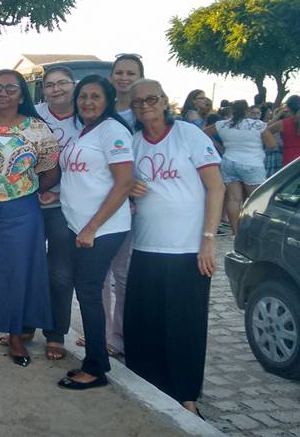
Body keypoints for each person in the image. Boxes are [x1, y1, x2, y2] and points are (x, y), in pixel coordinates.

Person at [124, 79, 224, 416]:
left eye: (151, 99)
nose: (145, 106)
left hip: (187, 249)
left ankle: (186, 397)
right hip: (146, 247)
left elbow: (216, 188)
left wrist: (208, 239)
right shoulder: (134, 142)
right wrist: (129, 189)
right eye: (138, 102)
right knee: (145, 324)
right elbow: (122, 185)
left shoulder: (189, 135)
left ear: (165, 100)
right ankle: (150, 389)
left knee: (185, 325)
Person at [0, 69, 59, 369]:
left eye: (10, 88)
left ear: (22, 94)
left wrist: (27, 190)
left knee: (20, 274)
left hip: (23, 212)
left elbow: (50, 170)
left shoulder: (38, 129)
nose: (3, 93)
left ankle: (17, 335)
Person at [56, 75, 134, 390]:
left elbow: (124, 183)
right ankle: (96, 360)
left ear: (108, 100)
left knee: (88, 292)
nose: (87, 102)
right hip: (79, 226)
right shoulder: (85, 131)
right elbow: (81, 177)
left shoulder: (113, 131)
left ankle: (96, 367)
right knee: (86, 292)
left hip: (102, 229)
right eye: (83, 96)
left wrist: (92, 226)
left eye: (95, 96)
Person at [34, 67, 80, 361]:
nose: (56, 89)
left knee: (61, 274)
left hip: (66, 206)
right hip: (31, 202)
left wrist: (60, 193)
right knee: (28, 267)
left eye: (62, 83)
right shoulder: (34, 115)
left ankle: (55, 333)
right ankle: (24, 325)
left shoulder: (86, 117)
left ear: (73, 85)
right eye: (50, 84)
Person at [103, 55, 144, 356]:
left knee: (123, 272)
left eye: (131, 73)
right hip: (101, 201)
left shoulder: (145, 114)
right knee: (100, 275)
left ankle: (122, 334)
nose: (124, 78)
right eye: (119, 72)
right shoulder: (102, 110)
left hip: (135, 201)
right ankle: (102, 331)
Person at [205, 100, 274, 234]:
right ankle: (255, 231)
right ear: (247, 111)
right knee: (257, 199)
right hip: (252, 163)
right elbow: (272, 144)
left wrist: (218, 146)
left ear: (233, 110)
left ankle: (236, 232)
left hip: (229, 162)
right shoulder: (258, 124)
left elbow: (203, 133)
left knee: (233, 199)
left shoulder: (222, 124)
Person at [262, 95, 300, 168]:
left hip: (290, 158)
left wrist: (278, 114)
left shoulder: (283, 123)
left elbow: (264, 130)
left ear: (288, 108)